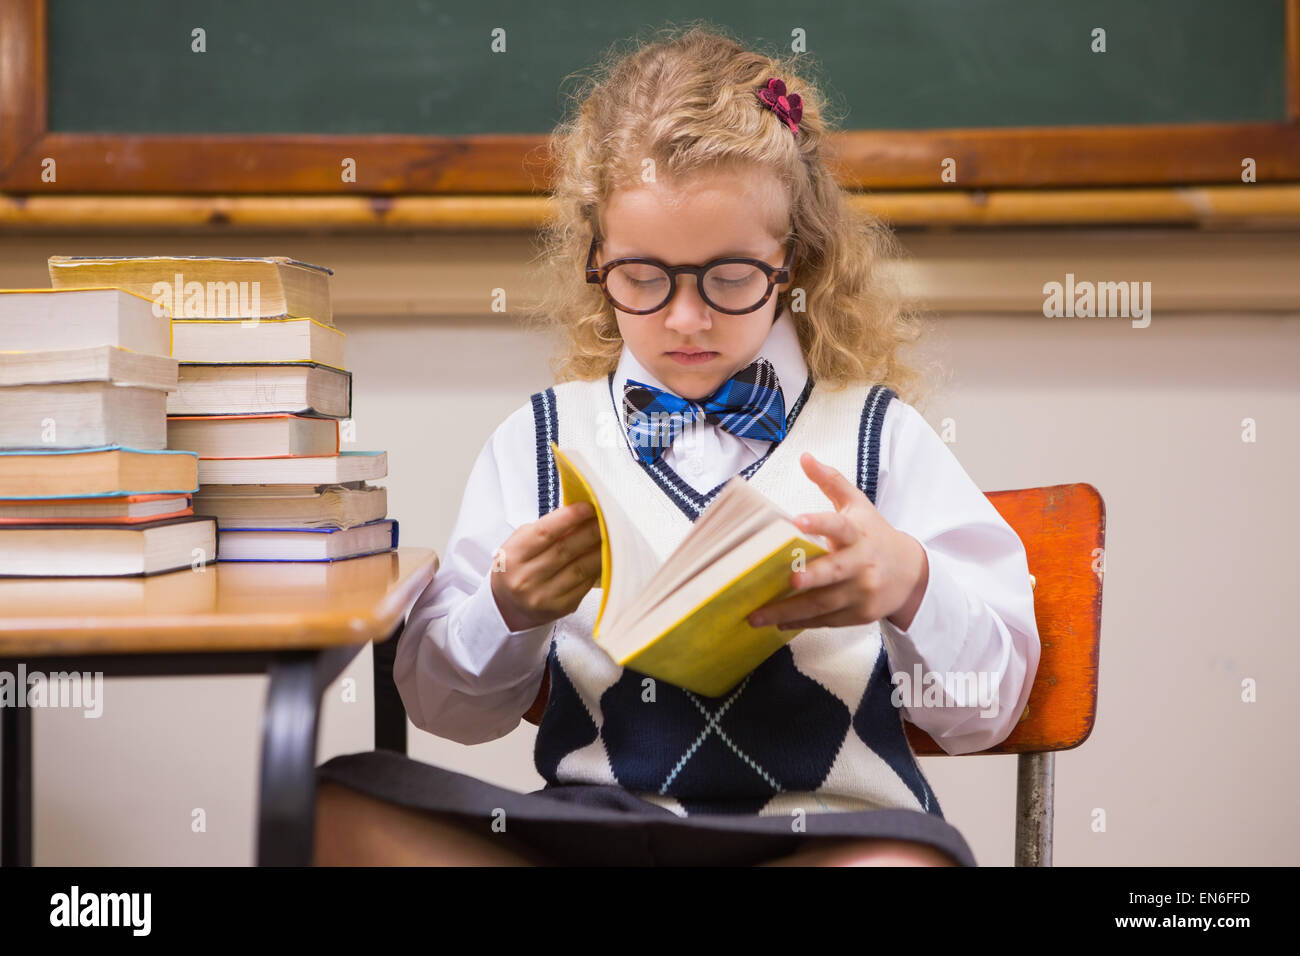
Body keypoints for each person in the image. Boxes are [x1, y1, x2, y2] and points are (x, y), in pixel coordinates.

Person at [314, 24, 1040, 867]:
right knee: (338, 803)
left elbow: (989, 710)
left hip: (822, 840)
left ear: (794, 262)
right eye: (643, 277)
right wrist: (506, 608)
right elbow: (451, 713)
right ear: (596, 259)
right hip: (598, 835)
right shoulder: (542, 438)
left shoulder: (881, 435)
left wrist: (911, 583)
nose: (686, 318)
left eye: (730, 278)